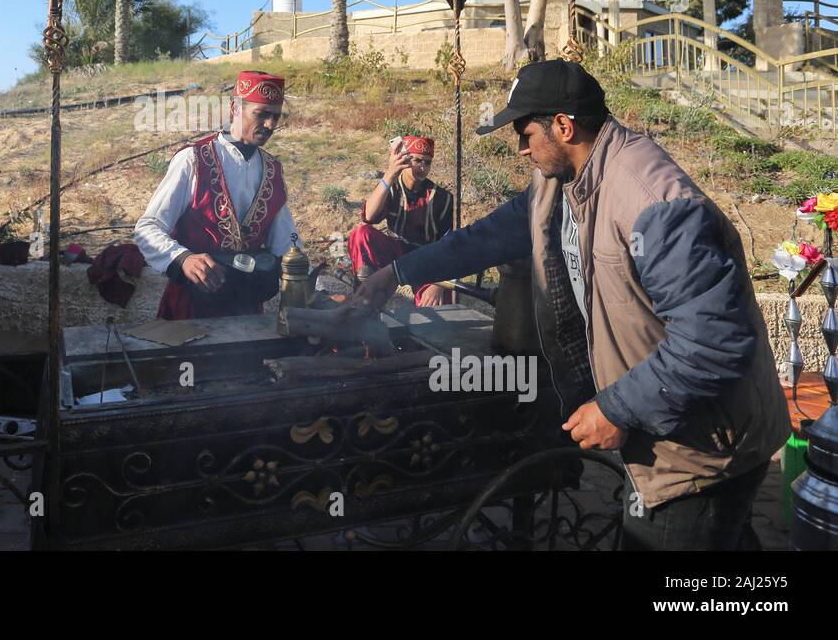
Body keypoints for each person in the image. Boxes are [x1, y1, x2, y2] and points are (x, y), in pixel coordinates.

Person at [354, 59, 790, 550]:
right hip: (673, 432)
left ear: (564, 125)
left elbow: (712, 339)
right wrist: (397, 272)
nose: (521, 149)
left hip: (699, 450)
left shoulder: (652, 201)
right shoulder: (561, 183)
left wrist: (616, 408)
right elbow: (485, 237)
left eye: (526, 133)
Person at [135, 70, 301, 319]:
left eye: (276, 117)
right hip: (190, 309)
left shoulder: (272, 171)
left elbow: (288, 246)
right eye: (262, 114)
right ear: (235, 108)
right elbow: (147, 227)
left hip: (246, 311)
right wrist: (183, 258)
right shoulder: (193, 159)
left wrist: (312, 286)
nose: (270, 125)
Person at [349, 134, 454, 306]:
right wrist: (389, 174)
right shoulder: (391, 187)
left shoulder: (442, 198)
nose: (423, 167)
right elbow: (369, 216)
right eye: (418, 160)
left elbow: (451, 245)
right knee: (361, 233)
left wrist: (438, 285)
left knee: (437, 307)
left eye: (427, 162)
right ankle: (365, 299)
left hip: (426, 258)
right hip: (395, 250)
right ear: (404, 160)